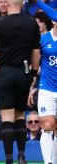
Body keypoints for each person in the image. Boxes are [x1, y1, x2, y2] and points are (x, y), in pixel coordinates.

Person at [0, 0, 41, 164]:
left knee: (6, 117)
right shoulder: (31, 23)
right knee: (20, 115)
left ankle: (9, 159)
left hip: (5, 72)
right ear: (22, 4)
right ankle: (21, 155)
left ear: (8, 4)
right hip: (24, 72)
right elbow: (36, 51)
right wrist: (33, 74)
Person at [28, 20, 57, 164]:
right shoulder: (44, 39)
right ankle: (48, 162)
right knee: (47, 124)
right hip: (46, 88)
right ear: (53, 21)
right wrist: (30, 86)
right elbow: (35, 63)